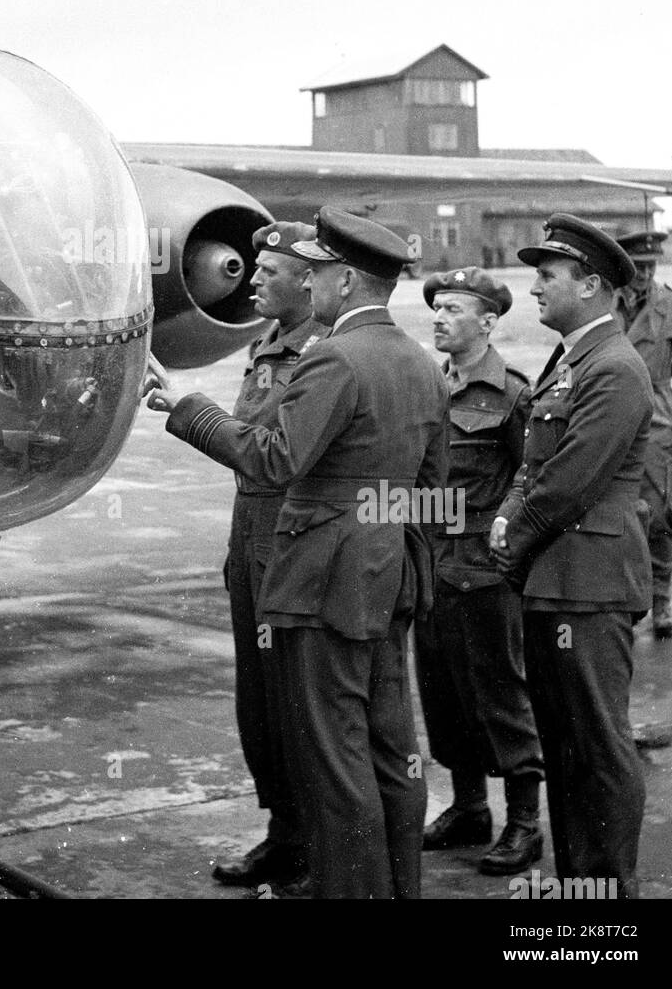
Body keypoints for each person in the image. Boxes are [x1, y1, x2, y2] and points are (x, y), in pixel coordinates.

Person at [144, 207, 448, 899]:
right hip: (387, 576)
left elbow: (271, 457)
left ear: (343, 281)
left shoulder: (335, 358)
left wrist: (185, 409)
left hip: (323, 585)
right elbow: (431, 487)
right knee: (388, 755)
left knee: (334, 764)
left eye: (318, 271)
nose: (309, 285)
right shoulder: (419, 364)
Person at [490, 213, 653, 899]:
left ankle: (607, 905)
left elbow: (572, 478)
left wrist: (507, 537)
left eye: (546, 276)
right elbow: (539, 465)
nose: (533, 288)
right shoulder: (577, 358)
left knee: (595, 747)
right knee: (566, 747)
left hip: (587, 582)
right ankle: (579, 896)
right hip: (558, 580)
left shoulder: (614, 366)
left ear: (589, 285)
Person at [209, 221, 328, 888]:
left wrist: (193, 413)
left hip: (289, 553)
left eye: (266, 270)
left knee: (297, 703)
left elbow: (268, 450)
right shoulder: (267, 346)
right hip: (250, 549)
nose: (250, 279)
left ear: (305, 278)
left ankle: (314, 842)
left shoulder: (322, 354)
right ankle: (283, 833)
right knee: (258, 705)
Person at [414, 268, 545, 875]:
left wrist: (506, 548)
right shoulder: (426, 386)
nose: (439, 318)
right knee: (443, 696)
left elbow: (531, 480)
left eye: (453, 309)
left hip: (484, 571)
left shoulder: (514, 394)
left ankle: (524, 822)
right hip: (430, 566)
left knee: (500, 695)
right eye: (436, 307)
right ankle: (470, 808)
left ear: (488, 322)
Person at [613, 229, 672, 639]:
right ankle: (622, 605)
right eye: (637, 266)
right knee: (616, 514)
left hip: (659, 424)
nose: (644, 274)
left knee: (663, 515)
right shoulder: (601, 304)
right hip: (610, 420)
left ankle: (661, 602)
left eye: (651, 266)